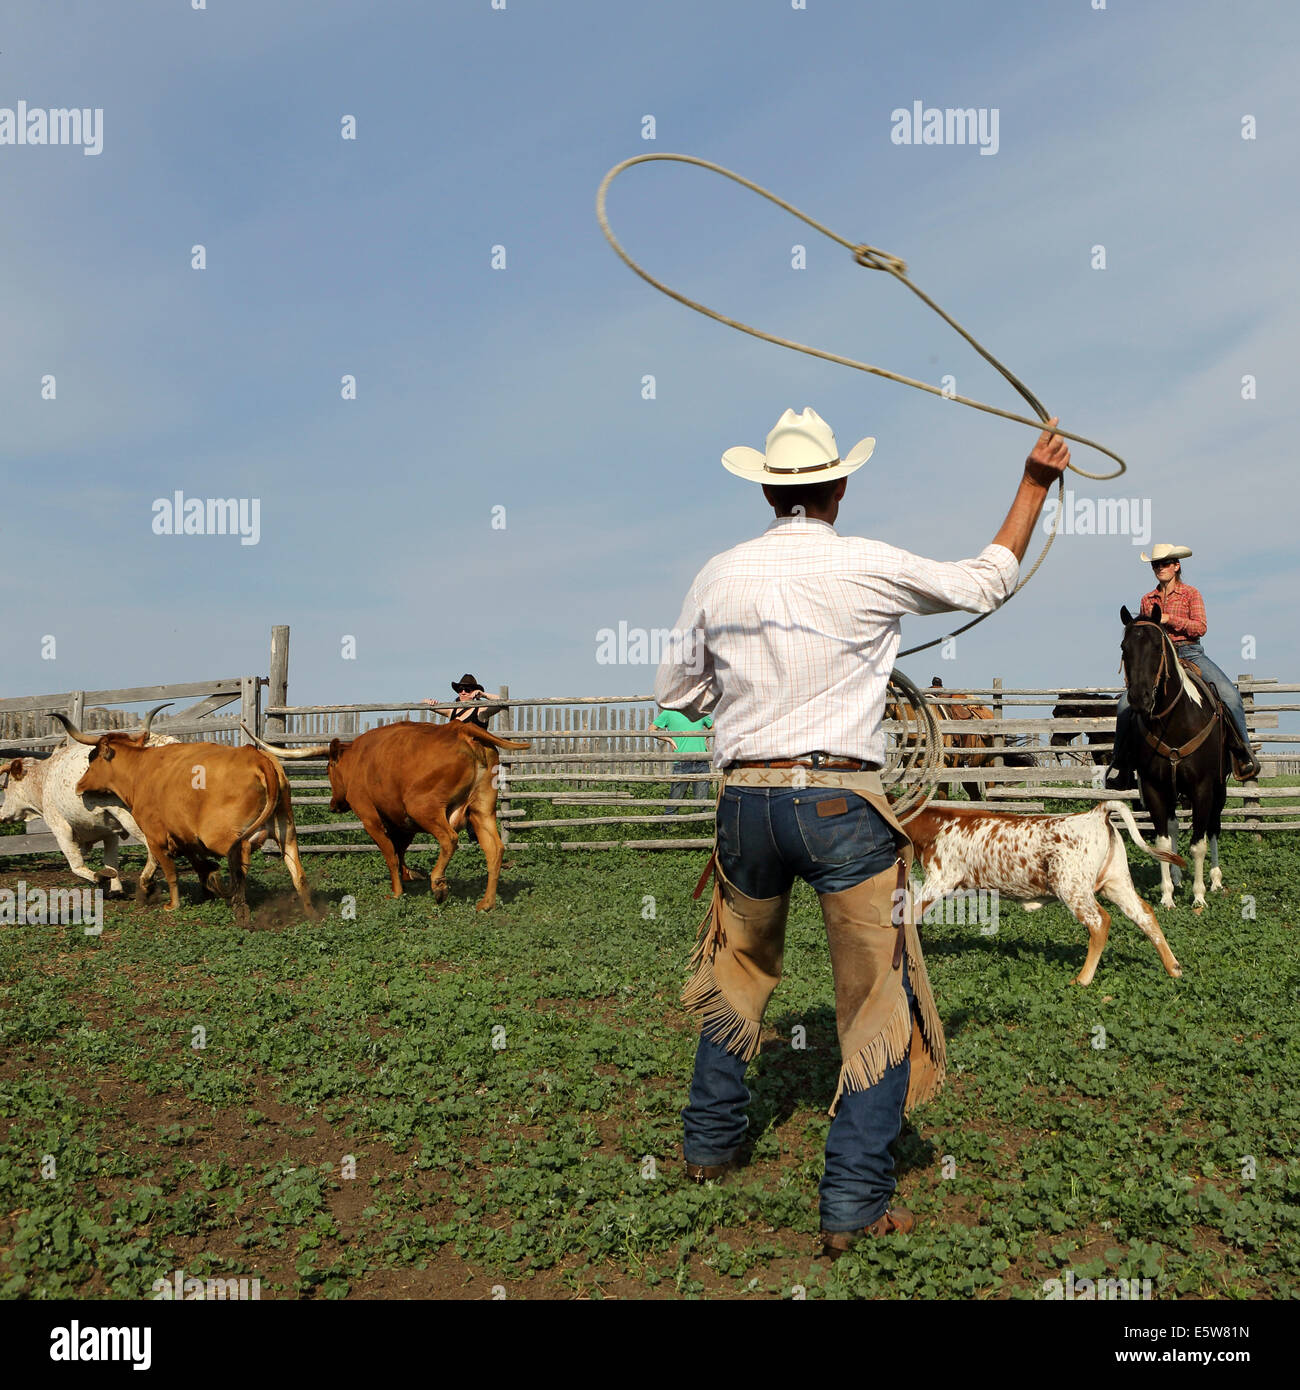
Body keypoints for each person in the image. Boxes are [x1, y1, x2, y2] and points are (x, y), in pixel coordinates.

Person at [655, 405, 1070, 1257]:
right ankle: (851, 1200)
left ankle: (709, 1144)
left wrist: (753, 696)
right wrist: (1033, 483)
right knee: (877, 996)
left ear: (769, 488)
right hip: (843, 805)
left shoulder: (719, 574)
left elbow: (681, 694)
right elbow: (987, 581)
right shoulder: (867, 566)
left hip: (747, 805)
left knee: (735, 964)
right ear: (839, 486)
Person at [1106, 545, 1261, 788]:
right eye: (1156, 564)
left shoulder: (1190, 594)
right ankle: (1120, 763)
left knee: (1230, 695)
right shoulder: (1147, 599)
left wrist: (1170, 619)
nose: (1160, 568)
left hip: (1190, 652)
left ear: (1176, 566)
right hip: (1158, 659)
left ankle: (1243, 754)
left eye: (1165, 563)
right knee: (1125, 703)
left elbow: (1200, 627)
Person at [647, 709, 714, 811]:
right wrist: (669, 739)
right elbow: (651, 729)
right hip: (681, 762)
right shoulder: (668, 712)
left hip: (702, 761)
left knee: (702, 803)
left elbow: (713, 727)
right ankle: (668, 826)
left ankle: (699, 826)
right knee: (674, 803)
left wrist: (705, 736)